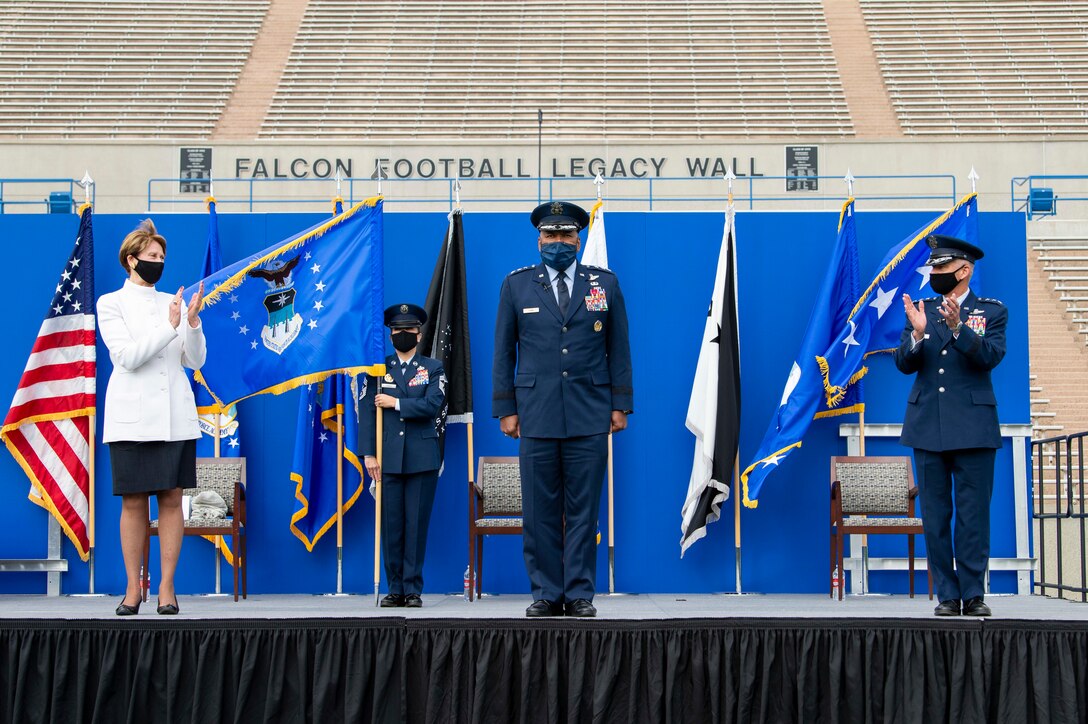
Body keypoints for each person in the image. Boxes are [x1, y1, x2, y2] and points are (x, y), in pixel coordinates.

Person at [492, 200, 633, 618]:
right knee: (539, 510)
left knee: (584, 509)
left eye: (566, 235)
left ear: (579, 238)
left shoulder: (603, 284)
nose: (558, 243)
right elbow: (503, 352)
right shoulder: (517, 286)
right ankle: (546, 593)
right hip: (534, 413)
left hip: (591, 411)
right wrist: (506, 408)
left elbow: (618, 348)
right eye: (550, 236)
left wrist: (620, 403)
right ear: (539, 240)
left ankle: (580, 594)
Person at [98, 219, 205, 616]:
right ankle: (132, 588)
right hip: (131, 418)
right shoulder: (111, 303)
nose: (159, 262)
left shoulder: (172, 303)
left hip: (175, 416)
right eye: (152, 257)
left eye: (162, 257)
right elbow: (127, 357)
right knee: (133, 502)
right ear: (132, 260)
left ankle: (166, 589)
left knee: (172, 500)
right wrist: (170, 325)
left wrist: (192, 323)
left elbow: (195, 360)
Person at [896, 233, 1007, 617]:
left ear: (964, 270)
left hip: (974, 428)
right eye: (934, 269)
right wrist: (917, 333)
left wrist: (960, 329)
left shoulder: (990, 311)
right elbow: (904, 363)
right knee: (936, 517)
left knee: (974, 515)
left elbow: (990, 357)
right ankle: (947, 594)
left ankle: (973, 593)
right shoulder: (921, 309)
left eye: (942, 268)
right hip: (928, 426)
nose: (936, 274)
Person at [360, 303, 446, 608]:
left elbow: (433, 404)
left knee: (416, 526)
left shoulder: (433, 368)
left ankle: (413, 589)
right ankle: (394, 588)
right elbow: (367, 412)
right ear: (390, 334)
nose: (402, 335)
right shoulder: (378, 370)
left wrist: (396, 403)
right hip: (387, 458)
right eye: (397, 331)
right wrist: (369, 454)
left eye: (408, 330)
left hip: (422, 457)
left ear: (419, 334)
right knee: (392, 525)